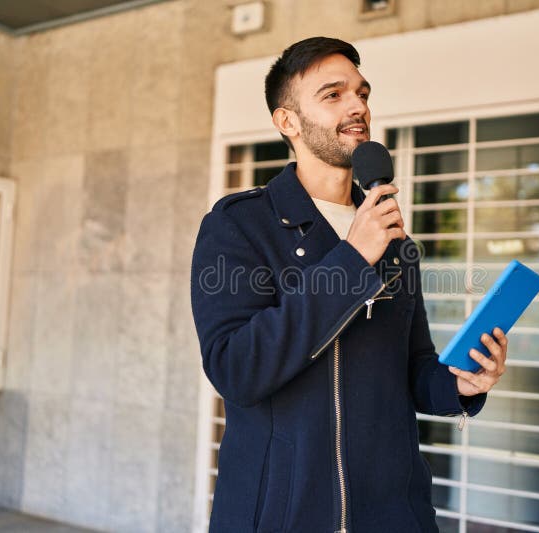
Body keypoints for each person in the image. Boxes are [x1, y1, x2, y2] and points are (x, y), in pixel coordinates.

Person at [190, 36, 508, 533]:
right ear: (287, 122)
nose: (358, 105)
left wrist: (458, 384)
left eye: (362, 92)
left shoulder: (393, 237)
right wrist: (353, 259)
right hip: (280, 515)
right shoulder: (240, 225)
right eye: (333, 94)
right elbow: (236, 368)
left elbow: (413, 366)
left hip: (394, 515)